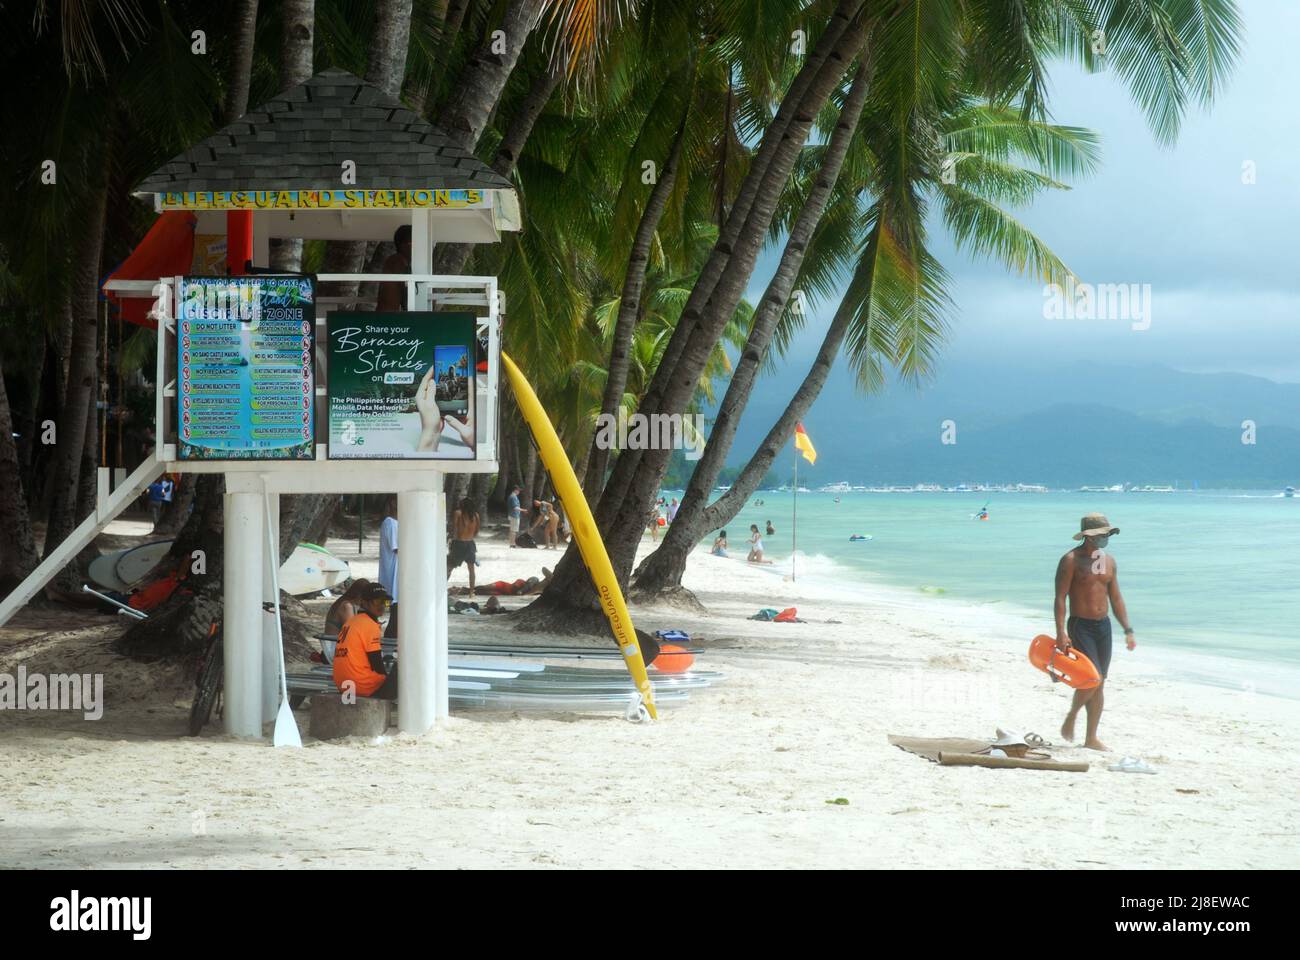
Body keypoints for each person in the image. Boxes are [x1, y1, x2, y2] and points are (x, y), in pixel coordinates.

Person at [1053, 513, 1136, 751]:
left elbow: (1116, 597)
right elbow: (1060, 598)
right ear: (1088, 537)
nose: (1106, 538)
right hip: (1080, 625)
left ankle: (1091, 738)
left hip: (1103, 626)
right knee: (1092, 678)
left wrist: (1127, 629)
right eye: (1102, 534)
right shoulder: (1071, 560)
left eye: (1108, 534)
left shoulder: (1109, 562)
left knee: (1100, 683)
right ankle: (1072, 716)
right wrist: (1061, 633)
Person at [333, 584, 398, 700]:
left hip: (342, 685)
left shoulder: (352, 621)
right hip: (362, 686)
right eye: (378, 602)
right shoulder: (369, 625)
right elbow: (376, 662)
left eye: (386, 602)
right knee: (401, 667)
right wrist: (387, 680)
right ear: (364, 602)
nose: (382, 606)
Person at [375, 225, 411, 312]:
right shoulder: (396, 261)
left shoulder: (402, 261)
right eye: (413, 242)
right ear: (403, 245)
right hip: (388, 319)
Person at [448, 498, 481, 591]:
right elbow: (477, 531)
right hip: (470, 543)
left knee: (449, 566)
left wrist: (451, 539)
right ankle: (471, 592)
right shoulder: (476, 515)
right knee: (471, 570)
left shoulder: (458, 513)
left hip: (459, 543)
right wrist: (470, 536)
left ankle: (442, 587)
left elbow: (454, 528)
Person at [378, 497, 398, 602]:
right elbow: (396, 548)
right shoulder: (390, 523)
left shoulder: (394, 522)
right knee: (392, 598)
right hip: (392, 567)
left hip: (393, 566)